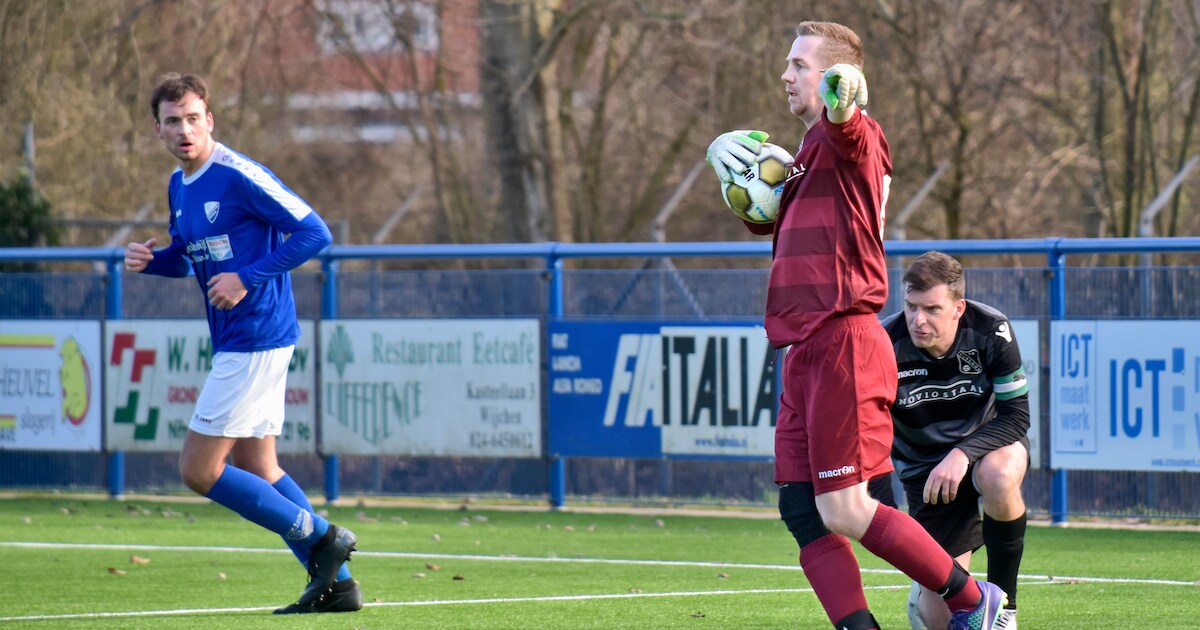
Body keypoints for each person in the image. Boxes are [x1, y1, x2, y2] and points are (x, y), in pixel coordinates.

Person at [705, 22, 1007, 630]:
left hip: (844, 340)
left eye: (798, 65)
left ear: (832, 77)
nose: (786, 76)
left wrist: (845, 102)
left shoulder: (850, 136)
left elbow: (851, 123)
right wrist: (745, 182)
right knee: (802, 508)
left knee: (844, 509)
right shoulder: (810, 157)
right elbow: (770, 220)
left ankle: (974, 602)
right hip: (805, 350)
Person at [124, 73, 360, 615]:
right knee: (260, 467)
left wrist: (248, 277)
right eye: (171, 121)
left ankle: (322, 536)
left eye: (192, 118)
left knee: (198, 470)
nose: (183, 130)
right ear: (157, 130)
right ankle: (338, 586)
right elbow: (189, 256)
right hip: (240, 338)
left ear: (210, 120)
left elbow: (315, 231)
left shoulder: (238, 174)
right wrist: (152, 262)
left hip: (256, 335)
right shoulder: (178, 185)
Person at [878, 251, 1030, 629]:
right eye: (912, 307)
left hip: (985, 449)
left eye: (931, 309)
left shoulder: (992, 329)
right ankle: (927, 594)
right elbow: (869, 428)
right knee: (940, 620)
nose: (918, 319)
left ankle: (1005, 607)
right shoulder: (883, 343)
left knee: (999, 474)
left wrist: (962, 454)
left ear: (958, 307)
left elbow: (1017, 416)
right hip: (925, 475)